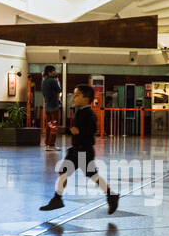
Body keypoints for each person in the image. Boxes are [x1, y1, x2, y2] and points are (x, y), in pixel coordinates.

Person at [40, 84, 118, 214]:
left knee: (91, 175)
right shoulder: (79, 111)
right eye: (73, 95)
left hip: (84, 151)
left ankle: (111, 195)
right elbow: (74, 130)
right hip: (76, 150)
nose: (73, 98)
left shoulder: (89, 114)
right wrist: (63, 129)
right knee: (64, 172)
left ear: (86, 99)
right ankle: (57, 198)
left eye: (77, 96)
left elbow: (91, 130)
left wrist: (79, 131)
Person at [41, 65, 62, 149]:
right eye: (54, 71)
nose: (55, 72)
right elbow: (59, 90)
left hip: (47, 107)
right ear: (50, 72)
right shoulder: (53, 81)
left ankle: (47, 143)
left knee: (49, 126)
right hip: (54, 107)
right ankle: (52, 144)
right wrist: (57, 81)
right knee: (54, 126)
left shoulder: (43, 81)